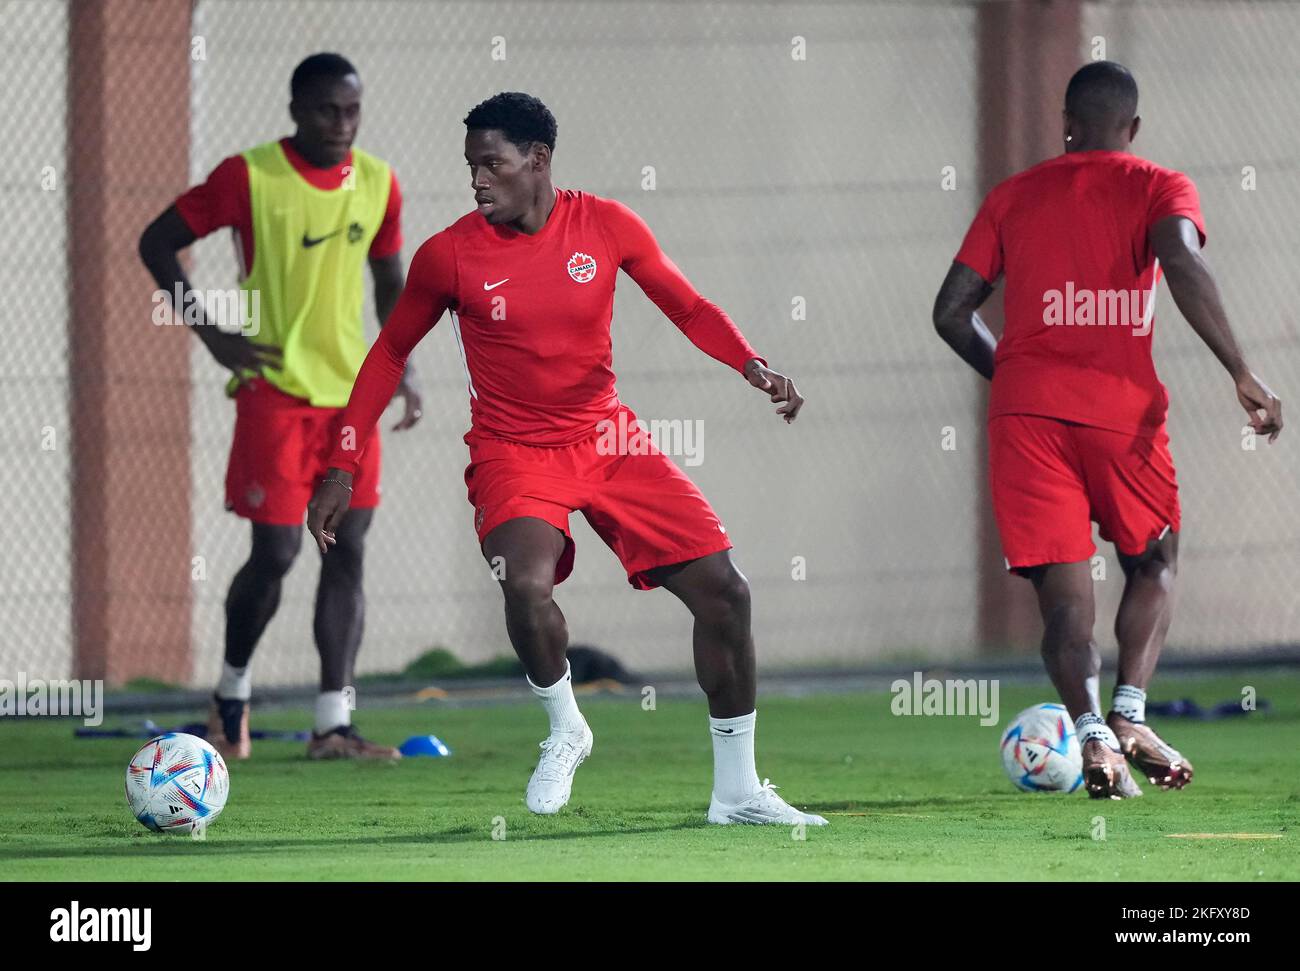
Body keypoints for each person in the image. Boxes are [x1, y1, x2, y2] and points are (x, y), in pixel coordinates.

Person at [307, 92, 825, 824]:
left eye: (492, 163)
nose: (478, 180)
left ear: (538, 160)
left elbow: (687, 305)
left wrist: (752, 363)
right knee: (524, 583)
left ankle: (737, 790)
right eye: (471, 167)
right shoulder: (449, 254)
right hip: (513, 450)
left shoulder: (607, 225)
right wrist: (342, 463)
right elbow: (389, 352)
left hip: (608, 438)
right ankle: (565, 725)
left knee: (727, 592)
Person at [932, 61, 1282, 798]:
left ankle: (1090, 733)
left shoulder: (1013, 195)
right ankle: (1128, 715)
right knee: (1154, 561)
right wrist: (1240, 370)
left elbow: (950, 312)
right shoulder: (1160, 185)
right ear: (1134, 129)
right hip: (1121, 419)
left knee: (1063, 600)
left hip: (1027, 420)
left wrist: (1020, 379)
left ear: (1066, 125)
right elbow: (1182, 260)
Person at [139, 53, 422, 761]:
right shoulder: (250, 176)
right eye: (327, 109)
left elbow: (390, 280)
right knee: (277, 551)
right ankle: (231, 694)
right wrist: (210, 331)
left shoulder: (380, 183)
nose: (342, 123)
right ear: (296, 109)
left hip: (350, 399)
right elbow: (157, 241)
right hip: (275, 393)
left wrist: (405, 364)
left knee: (347, 547)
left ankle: (333, 724)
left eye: (352, 110)